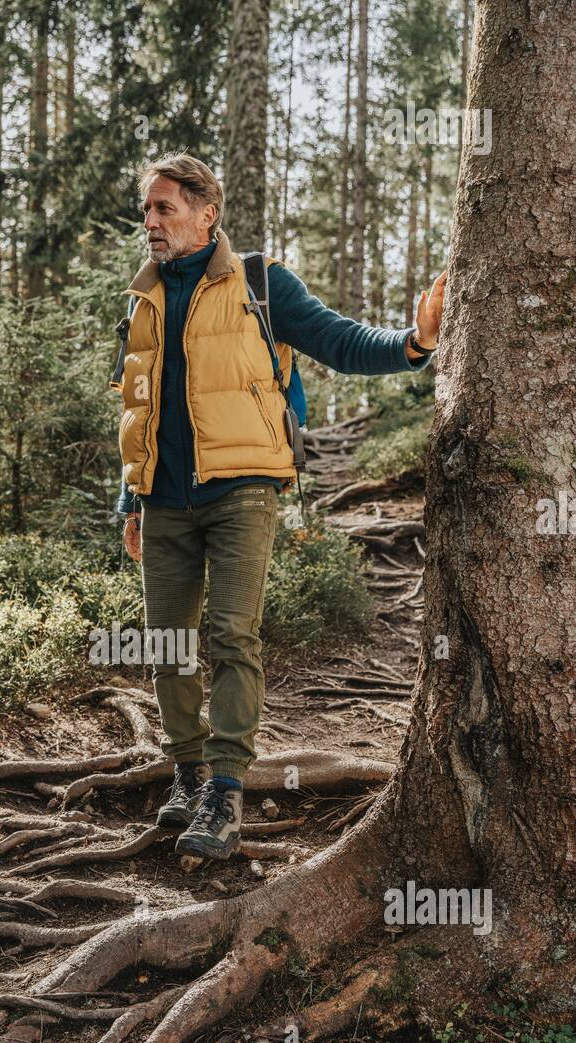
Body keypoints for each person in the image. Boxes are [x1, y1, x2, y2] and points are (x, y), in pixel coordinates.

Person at [113, 152, 446, 860]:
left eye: (164, 208)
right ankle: (186, 774)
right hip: (163, 501)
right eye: (147, 209)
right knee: (166, 645)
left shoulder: (260, 283)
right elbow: (135, 406)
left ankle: (226, 794)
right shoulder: (142, 297)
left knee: (232, 635)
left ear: (208, 213)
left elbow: (342, 341)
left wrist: (416, 341)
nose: (151, 222)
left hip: (242, 491)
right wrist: (130, 500)